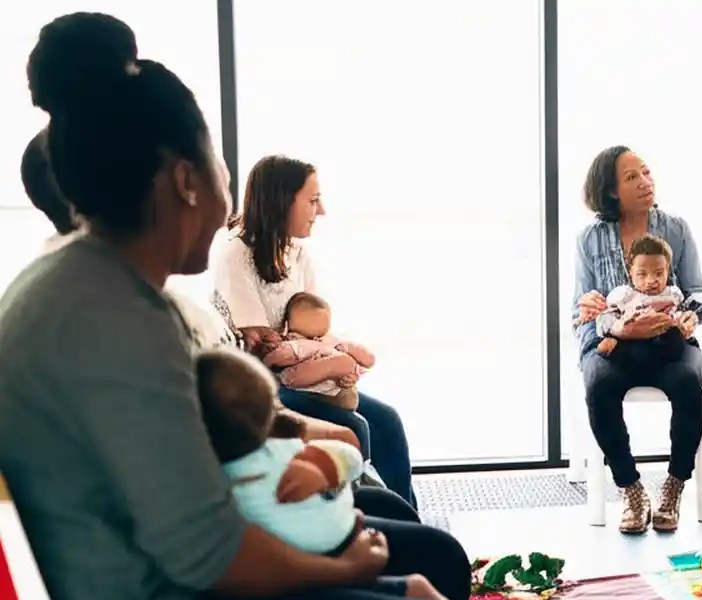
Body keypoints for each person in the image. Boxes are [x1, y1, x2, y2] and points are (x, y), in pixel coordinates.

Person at [0, 13, 536, 600]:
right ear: (188, 179)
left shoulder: (81, 284)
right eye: (221, 164)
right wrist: (344, 571)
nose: (226, 185)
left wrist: (359, 571)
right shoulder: (115, 315)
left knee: (427, 577)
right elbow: (211, 557)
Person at [19, 116, 419, 525]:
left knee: (383, 430)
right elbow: (224, 432)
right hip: (230, 521)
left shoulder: (82, 299)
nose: (224, 194)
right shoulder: (137, 320)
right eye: (204, 167)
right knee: (419, 538)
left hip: (236, 497)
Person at [212, 154, 417, 510]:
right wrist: (324, 361)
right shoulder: (236, 255)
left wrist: (336, 359)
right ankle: (356, 523)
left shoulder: (295, 251)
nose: (320, 211)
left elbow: (310, 329)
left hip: (299, 373)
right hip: (262, 386)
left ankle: (407, 519)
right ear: (281, 200)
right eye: (312, 199)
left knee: (388, 421)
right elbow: (264, 352)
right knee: (355, 427)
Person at [195, 348, 440, 600]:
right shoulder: (218, 484)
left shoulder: (279, 448)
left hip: (336, 534)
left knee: (421, 535)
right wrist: (348, 566)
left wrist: (324, 468)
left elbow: (349, 456)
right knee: (424, 579)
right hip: (316, 563)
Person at [573, 145, 702, 534]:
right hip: (613, 343)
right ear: (611, 189)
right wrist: (615, 326)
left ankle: (674, 485)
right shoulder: (590, 239)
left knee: (689, 384)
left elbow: (699, 291)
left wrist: (691, 314)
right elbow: (580, 309)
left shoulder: (676, 228)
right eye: (632, 177)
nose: (644, 182)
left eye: (647, 173)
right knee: (599, 385)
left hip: (668, 342)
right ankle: (631, 488)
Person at [259, 291, 374, 411]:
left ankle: (340, 367)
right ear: (287, 324)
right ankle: (335, 366)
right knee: (342, 361)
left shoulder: (328, 340)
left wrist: (349, 378)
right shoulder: (296, 343)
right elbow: (279, 355)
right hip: (307, 389)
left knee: (347, 362)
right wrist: (265, 365)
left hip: (337, 390)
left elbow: (275, 357)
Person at [594, 234, 691, 365]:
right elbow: (606, 316)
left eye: (659, 273)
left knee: (676, 342)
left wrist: (681, 322)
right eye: (642, 274)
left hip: (662, 334)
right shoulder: (625, 296)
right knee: (630, 348)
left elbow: (681, 312)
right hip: (633, 336)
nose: (651, 281)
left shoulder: (672, 295)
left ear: (667, 271)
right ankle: (613, 345)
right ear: (631, 273)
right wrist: (617, 327)